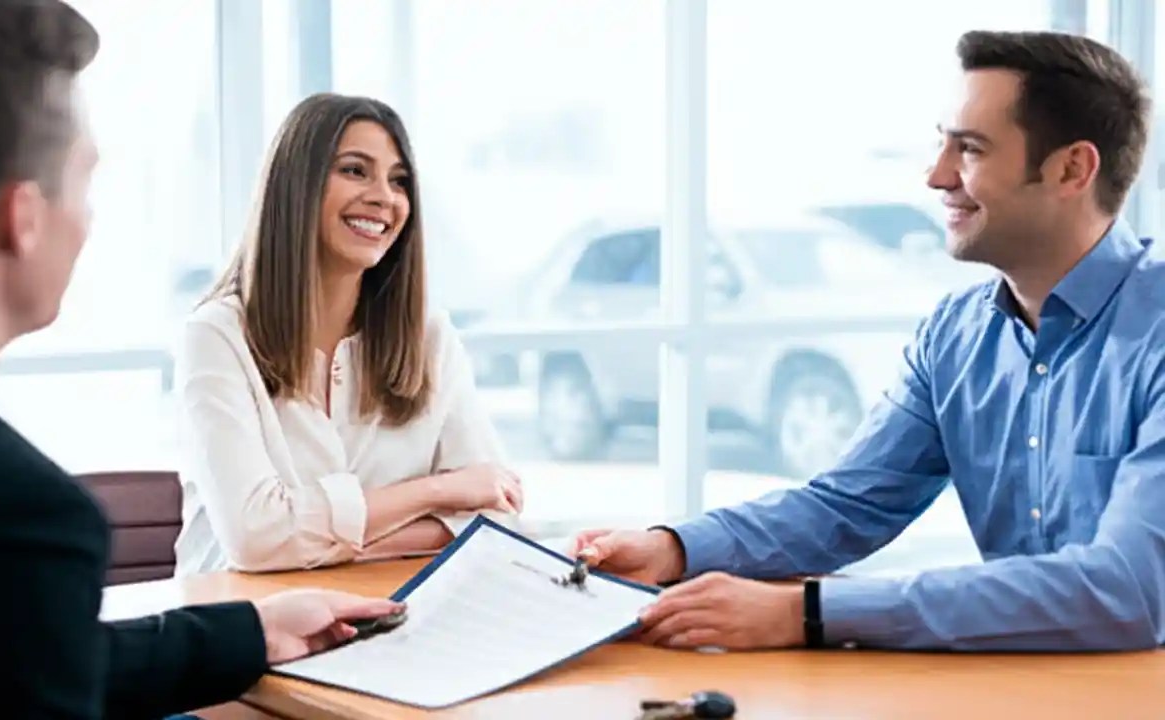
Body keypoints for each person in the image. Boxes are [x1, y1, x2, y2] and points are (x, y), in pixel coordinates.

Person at [0, 2, 403, 718]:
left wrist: (249, 634)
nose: (90, 220)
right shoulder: (4, 515)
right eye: (85, 182)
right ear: (22, 219)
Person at [574, 29, 1165, 652]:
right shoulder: (956, 334)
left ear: (1072, 168)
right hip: (1029, 684)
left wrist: (808, 612)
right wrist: (672, 548)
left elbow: (1128, 590)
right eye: (942, 144)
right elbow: (847, 505)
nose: (936, 176)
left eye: (970, 150)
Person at [175, 92, 524, 574]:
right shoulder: (216, 337)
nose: (385, 196)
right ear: (296, 186)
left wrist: (320, 538)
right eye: (355, 170)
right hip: (243, 627)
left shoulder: (429, 336)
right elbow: (255, 539)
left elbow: (495, 512)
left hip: (384, 616)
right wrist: (436, 493)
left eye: (399, 181)